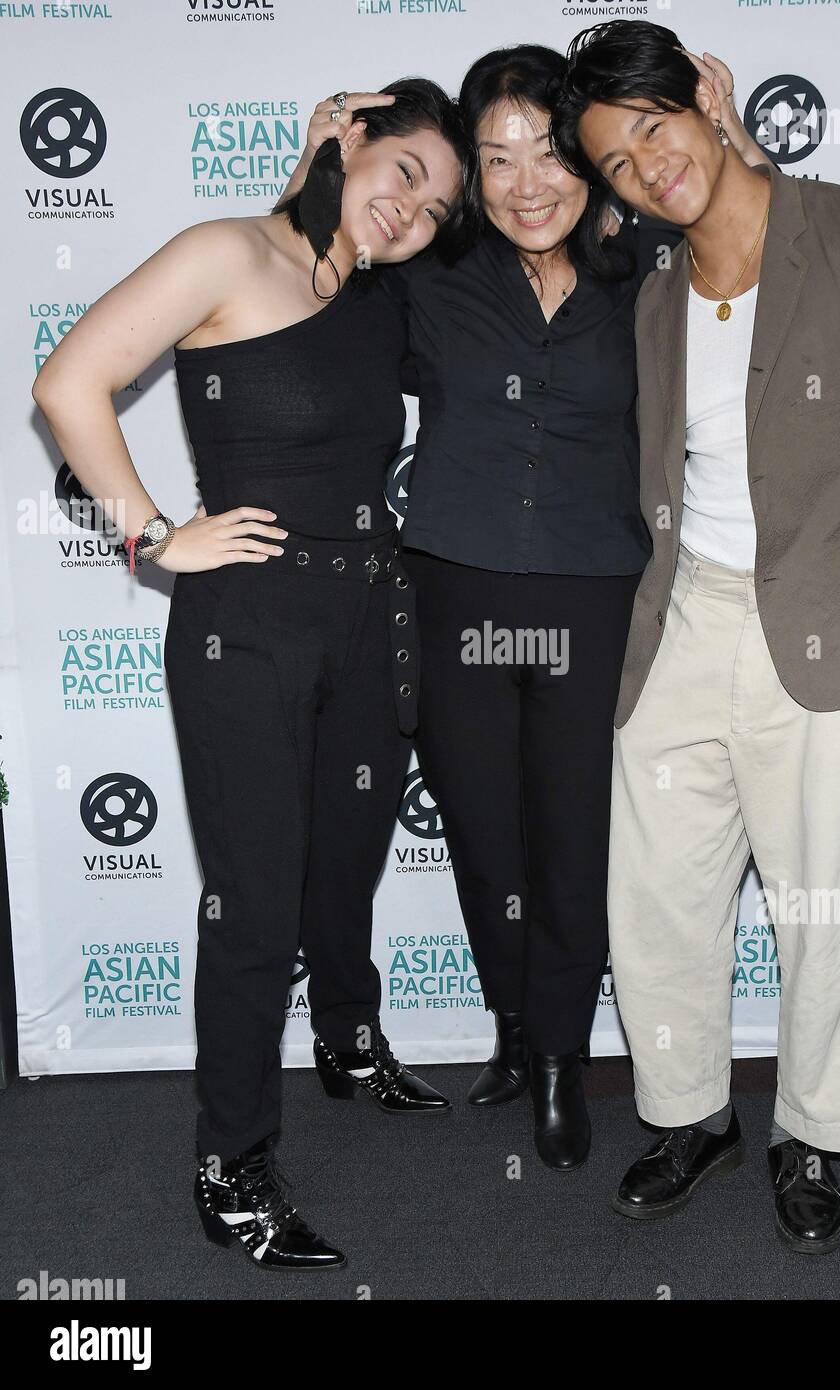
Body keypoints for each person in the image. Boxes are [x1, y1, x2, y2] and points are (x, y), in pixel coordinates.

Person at [285, 45, 762, 1173]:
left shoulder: (650, 266)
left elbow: (773, 256)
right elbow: (300, 296)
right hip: (449, 591)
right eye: (492, 159)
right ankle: (513, 1025)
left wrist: (730, 140)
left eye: (545, 150)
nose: (522, 181)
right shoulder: (430, 275)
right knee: (486, 839)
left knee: (576, 838)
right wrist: (314, 172)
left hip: (599, 597)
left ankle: (556, 1058)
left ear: (588, 157)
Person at [552, 20, 840, 1250]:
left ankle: (807, 1129)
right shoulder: (654, 295)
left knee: (827, 904)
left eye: (652, 127)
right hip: (685, 623)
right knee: (661, 899)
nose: (645, 167)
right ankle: (691, 1116)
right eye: (616, 163)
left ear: (702, 100)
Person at [32, 80, 470, 1271]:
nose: (411, 211)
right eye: (403, 174)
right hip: (249, 626)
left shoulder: (378, 299)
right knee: (253, 903)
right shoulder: (225, 251)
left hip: (370, 612)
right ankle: (231, 1160)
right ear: (351, 139)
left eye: (435, 207)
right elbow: (66, 382)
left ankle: (348, 1036)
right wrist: (150, 534)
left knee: (351, 855)